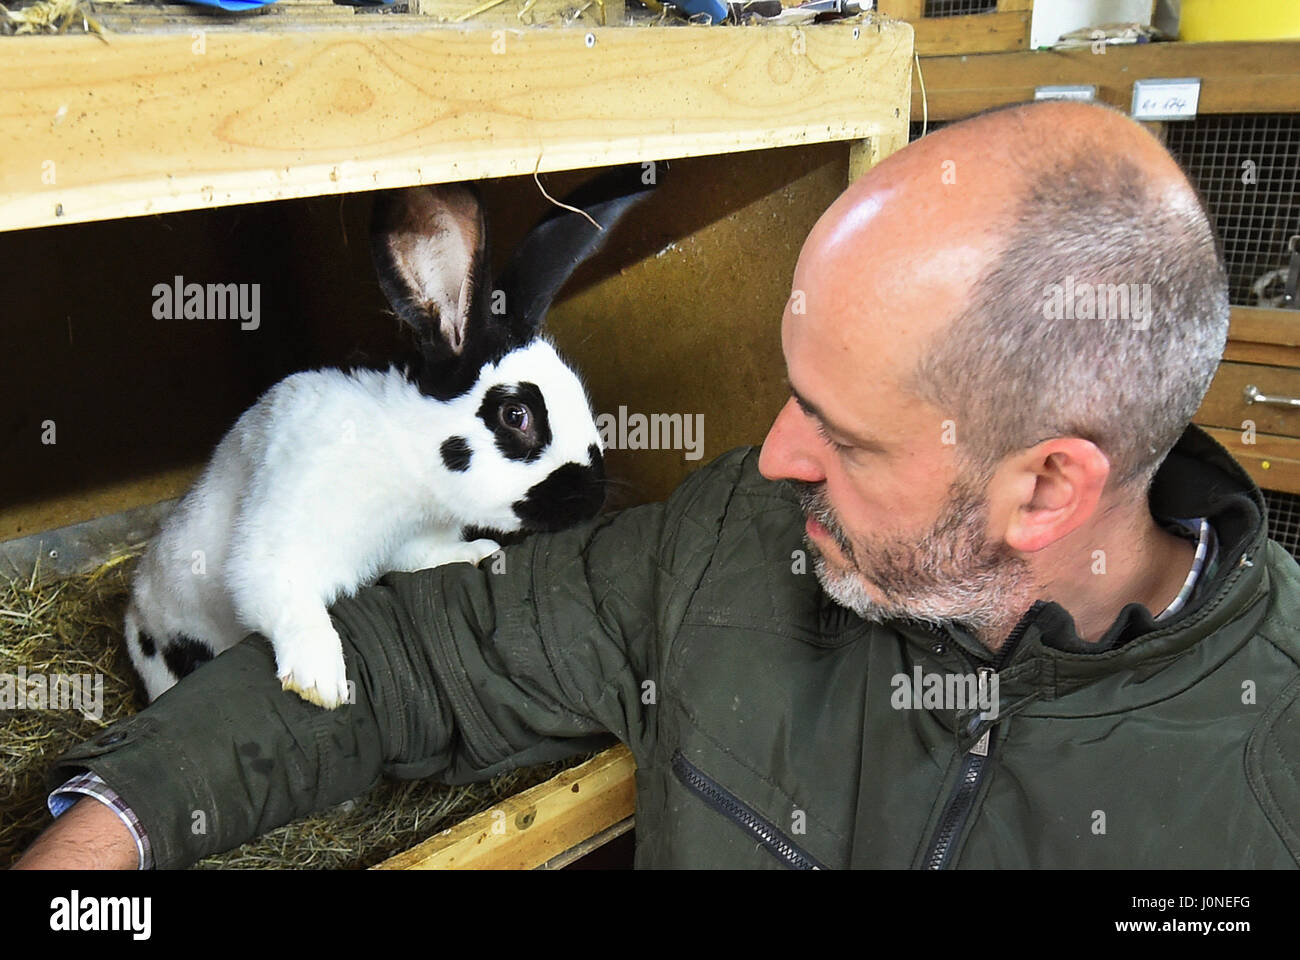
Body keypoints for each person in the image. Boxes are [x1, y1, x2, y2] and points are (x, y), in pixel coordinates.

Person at [16, 100, 1300, 870]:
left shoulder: (1259, 789)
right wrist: (105, 833)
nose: (775, 454)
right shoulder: (740, 545)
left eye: (843, 439)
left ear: (1045, 491)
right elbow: (418, 656)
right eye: (795, 392)